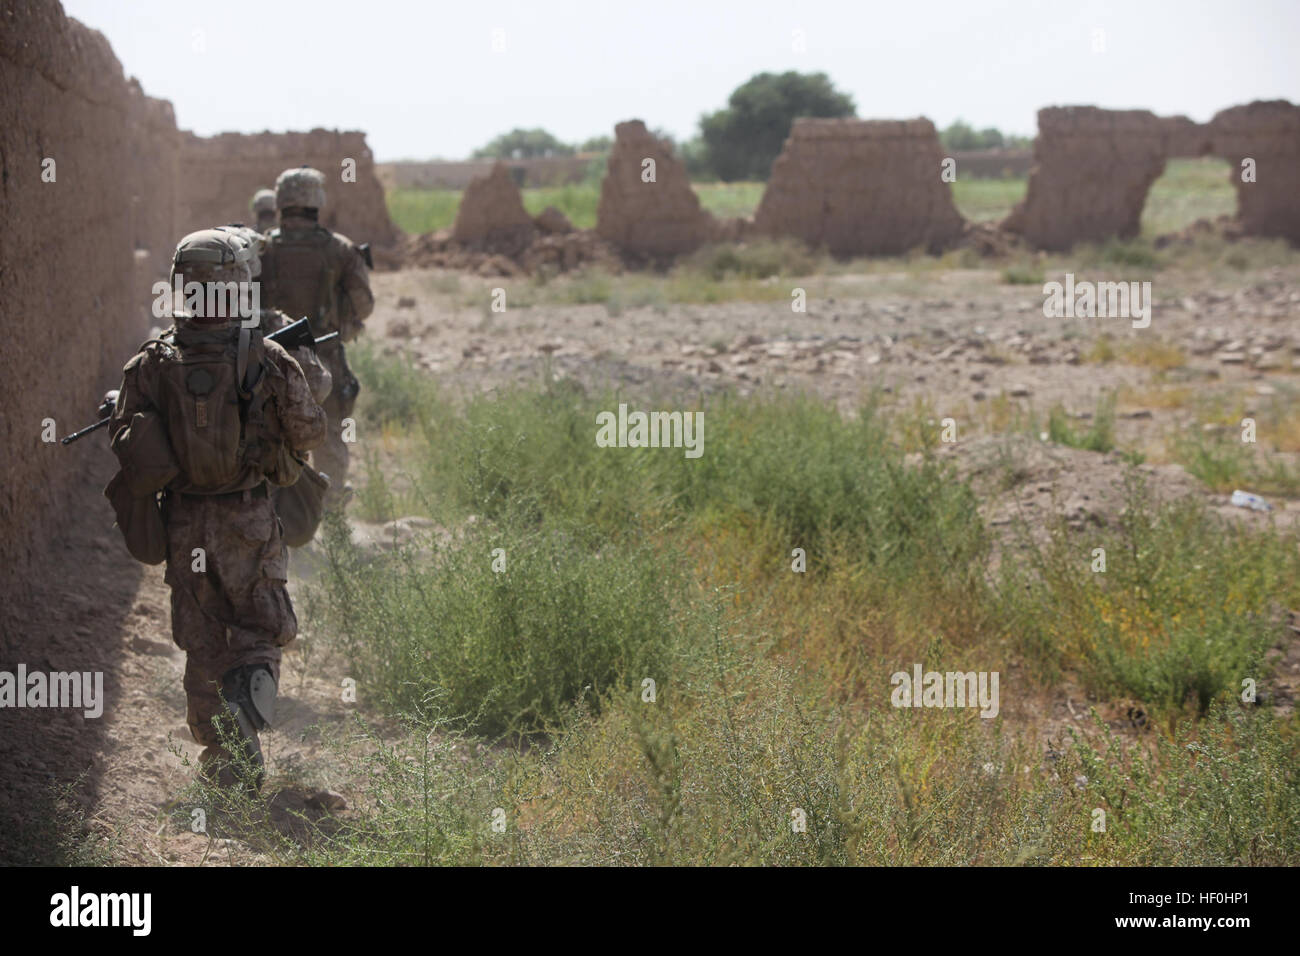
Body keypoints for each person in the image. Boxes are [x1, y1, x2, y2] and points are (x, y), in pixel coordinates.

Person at [108, 227, 327, 790]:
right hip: (249, 518)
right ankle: (245, 707)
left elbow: (129, 437)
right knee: (260, 627)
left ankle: (226, 763)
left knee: (203, 638)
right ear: (237, 284)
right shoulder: (267, 355)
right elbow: (310, 428)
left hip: (184, 523)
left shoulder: (150, 363)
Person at [259, 166, 373, 506]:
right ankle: (333, 518)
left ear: (281, 201)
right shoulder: (340, 249)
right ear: (317, 201)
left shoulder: (262, 249)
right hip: (325, 360)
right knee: (330, 438)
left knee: (274, 439)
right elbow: (364, 305)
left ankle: (285, 524)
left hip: (271, 362)